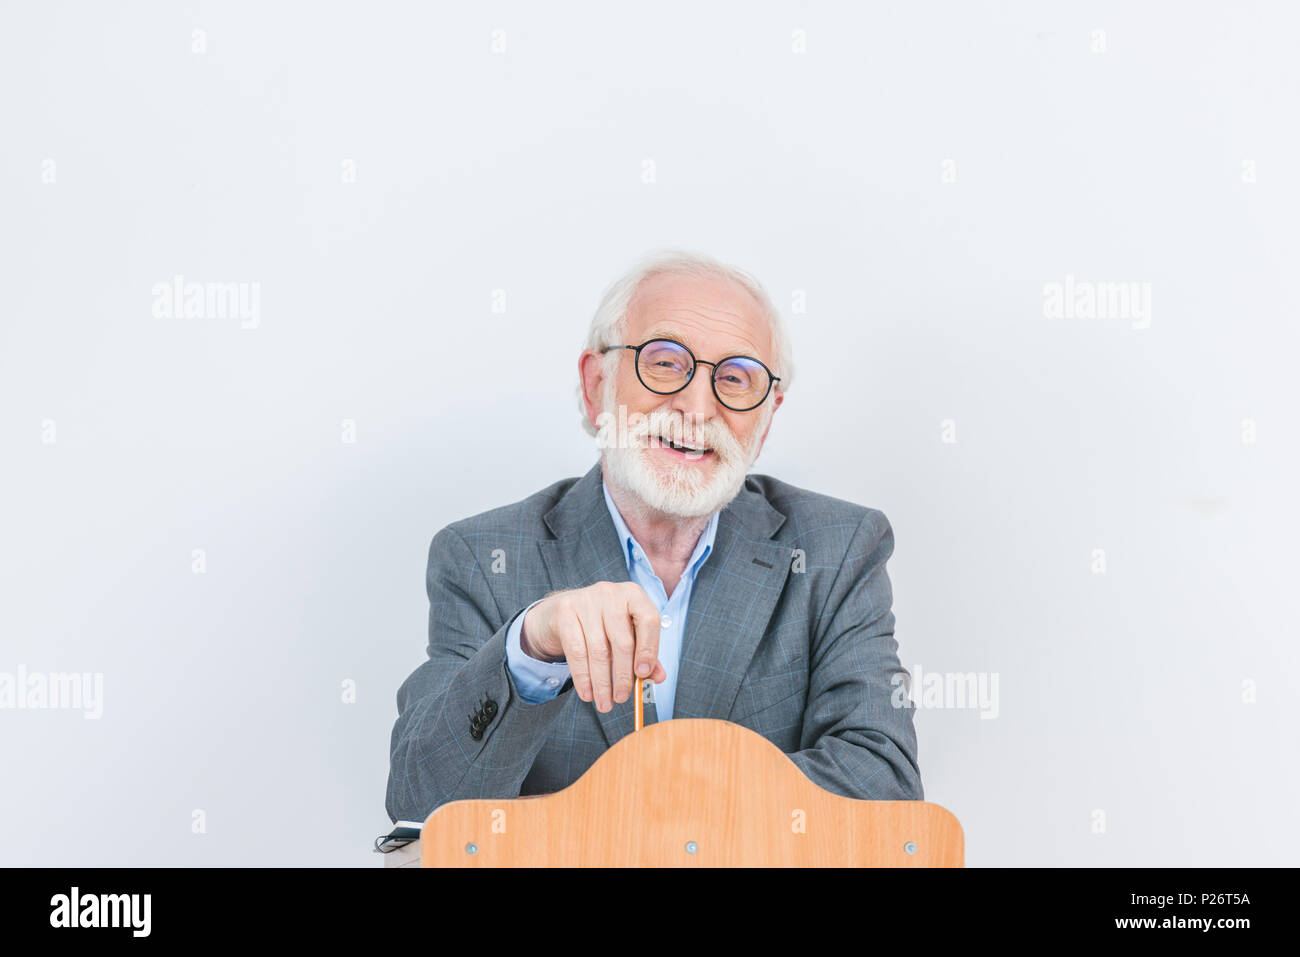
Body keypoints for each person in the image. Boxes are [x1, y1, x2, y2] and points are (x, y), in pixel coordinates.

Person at [385, 249, 922, 824]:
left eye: (736, 379)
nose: (697, 407)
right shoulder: (481, 557)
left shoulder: (837, 550)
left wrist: (640, 808)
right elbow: (423, 804)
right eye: (665, 363)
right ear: (596, 386)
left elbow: (883, 783)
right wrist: (531, 647)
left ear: (766, 418)